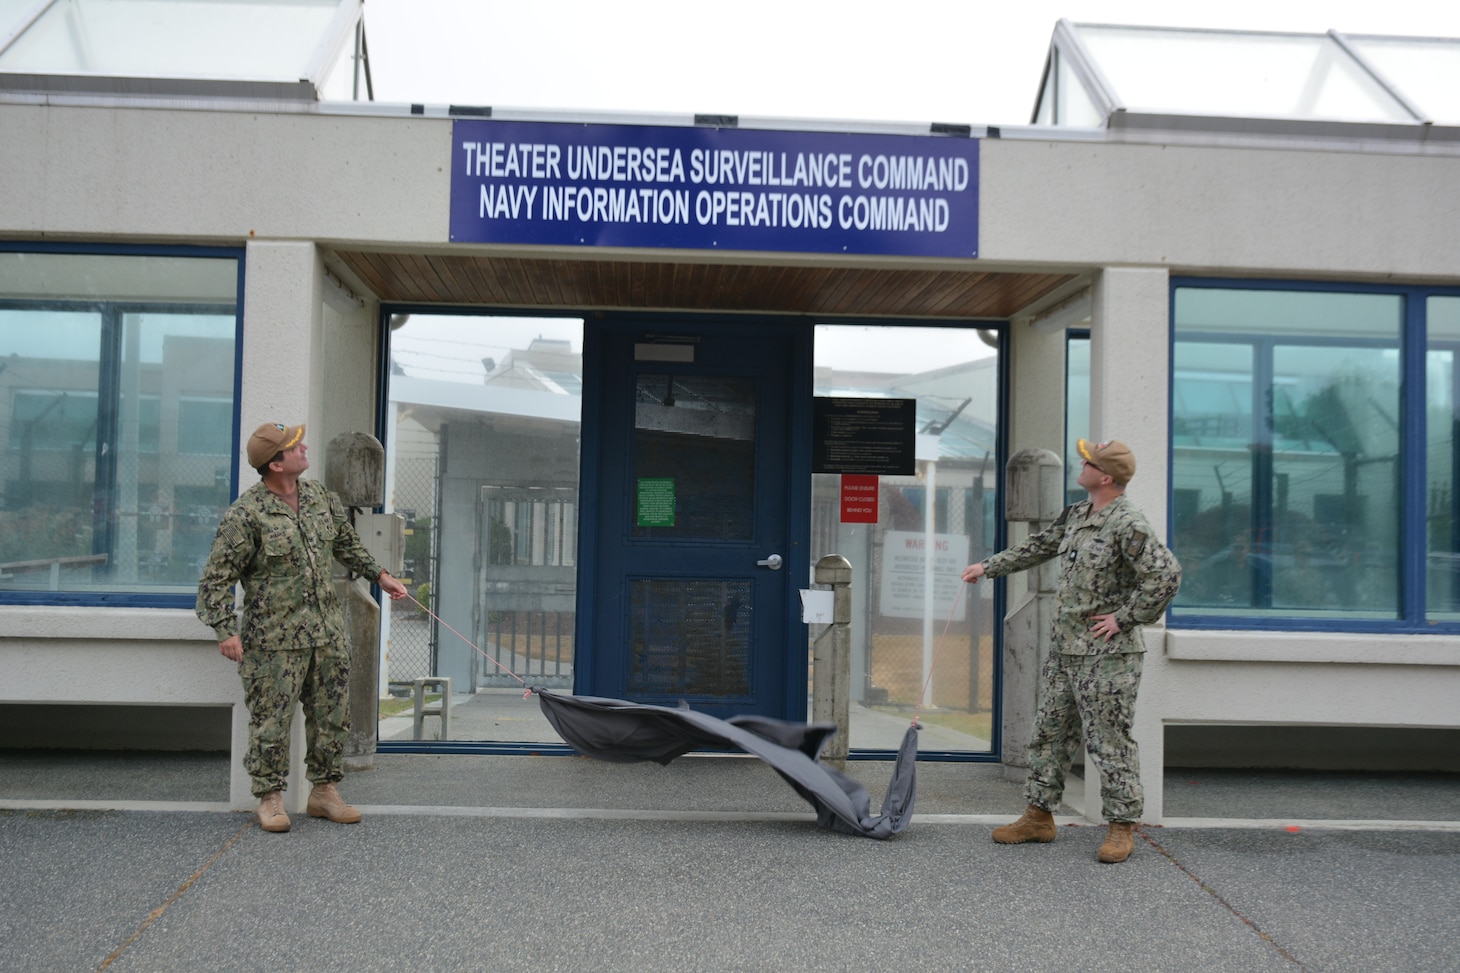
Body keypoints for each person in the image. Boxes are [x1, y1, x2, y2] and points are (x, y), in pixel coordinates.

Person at [961, 438, 1181, 863]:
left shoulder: (1127, 522)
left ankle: (1121, 826)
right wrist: (989, 567)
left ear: (1106, 477)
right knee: (1050, 733)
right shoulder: (1080, 514)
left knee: (1108, 740)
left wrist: (1124, 617)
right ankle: (1038, 817)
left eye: (1089, 462)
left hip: (1108, 655)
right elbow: (1040, 545)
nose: (1081, 465)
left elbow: (1165, 575)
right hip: (1066, 650)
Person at [197, 422, 408, 833]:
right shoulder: (246, 515)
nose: (304, 447)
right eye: (295, 446)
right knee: (271, 722)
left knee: (332, 717)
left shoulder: (319, 499)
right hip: (274, 642)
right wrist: (225, 630)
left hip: (327, 634)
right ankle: (271, 799)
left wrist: (380, 575)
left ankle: (324, 793)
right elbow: (215, 579)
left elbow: (346, 543)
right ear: (275, 463)